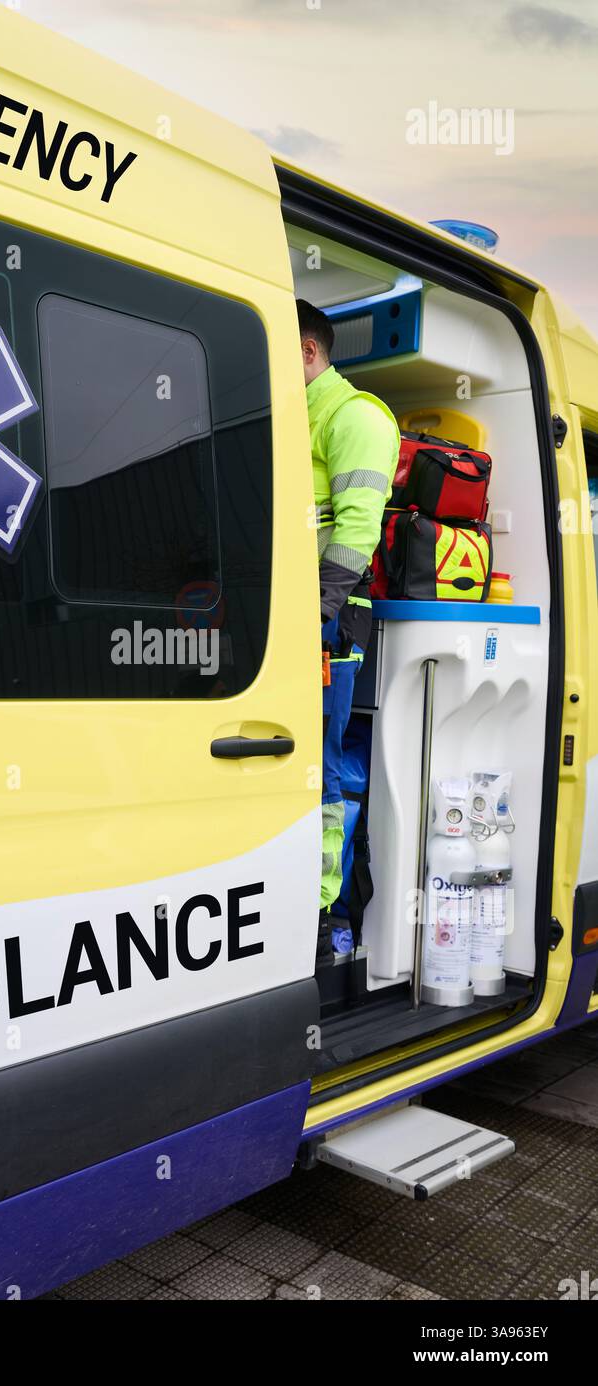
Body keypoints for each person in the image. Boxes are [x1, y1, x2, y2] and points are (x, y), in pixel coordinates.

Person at [298, 299, 400, 966]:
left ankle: (322, 910)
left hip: (329, 620)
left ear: (308, 352)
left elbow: (357, 528)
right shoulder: (298, 416)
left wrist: (319, 614)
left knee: (322, 767)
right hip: (298, 617)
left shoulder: (353, 415)